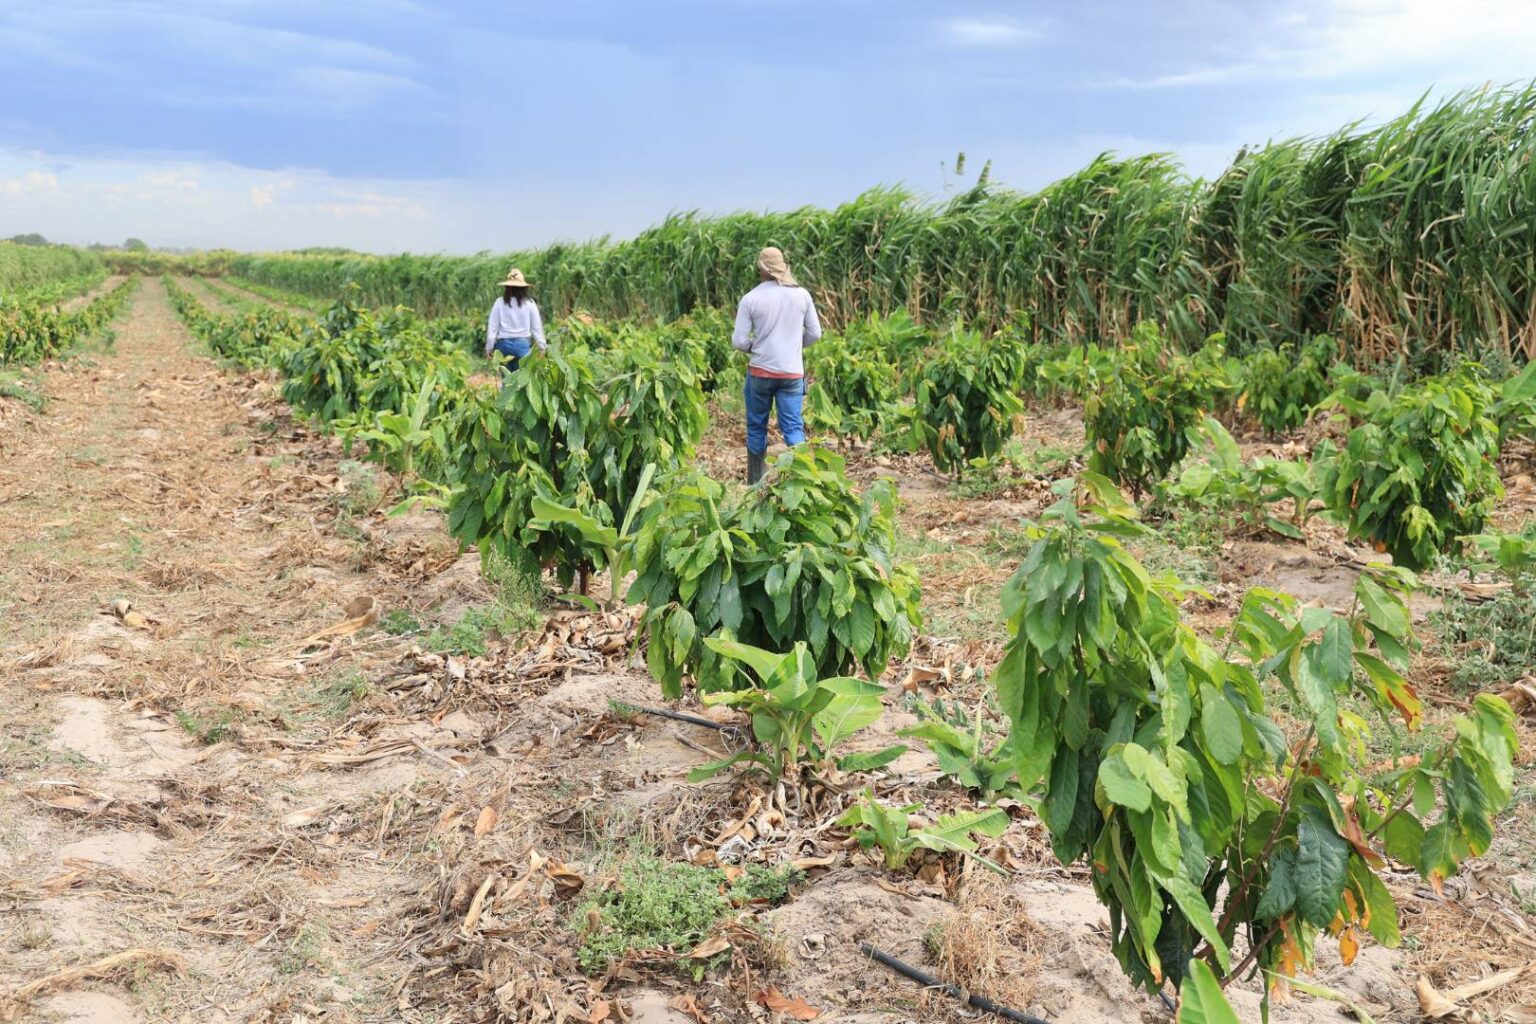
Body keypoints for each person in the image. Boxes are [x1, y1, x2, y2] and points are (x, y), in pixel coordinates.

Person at [732, 246, 822, 484]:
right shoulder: (801, 294)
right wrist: (793, 346)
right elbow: (815, 333)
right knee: (793, 427)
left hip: (761, 371)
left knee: (756, 426)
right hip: (792, 373)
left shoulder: (751, 298)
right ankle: (803, 483)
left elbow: (739, 341)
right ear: (782, 266)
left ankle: (755, 485)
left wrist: (756, 346)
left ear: (760, 268)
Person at [484, 268, 547, 374]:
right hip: (522, 345)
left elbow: (493, 327)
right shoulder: (530, 304)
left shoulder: (499, 303)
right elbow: (536, 328)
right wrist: (542, 347)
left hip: (503, 345)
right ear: (524, 288)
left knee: (506, 380)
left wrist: (489, 348)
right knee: (522, 379)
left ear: (507, 288)